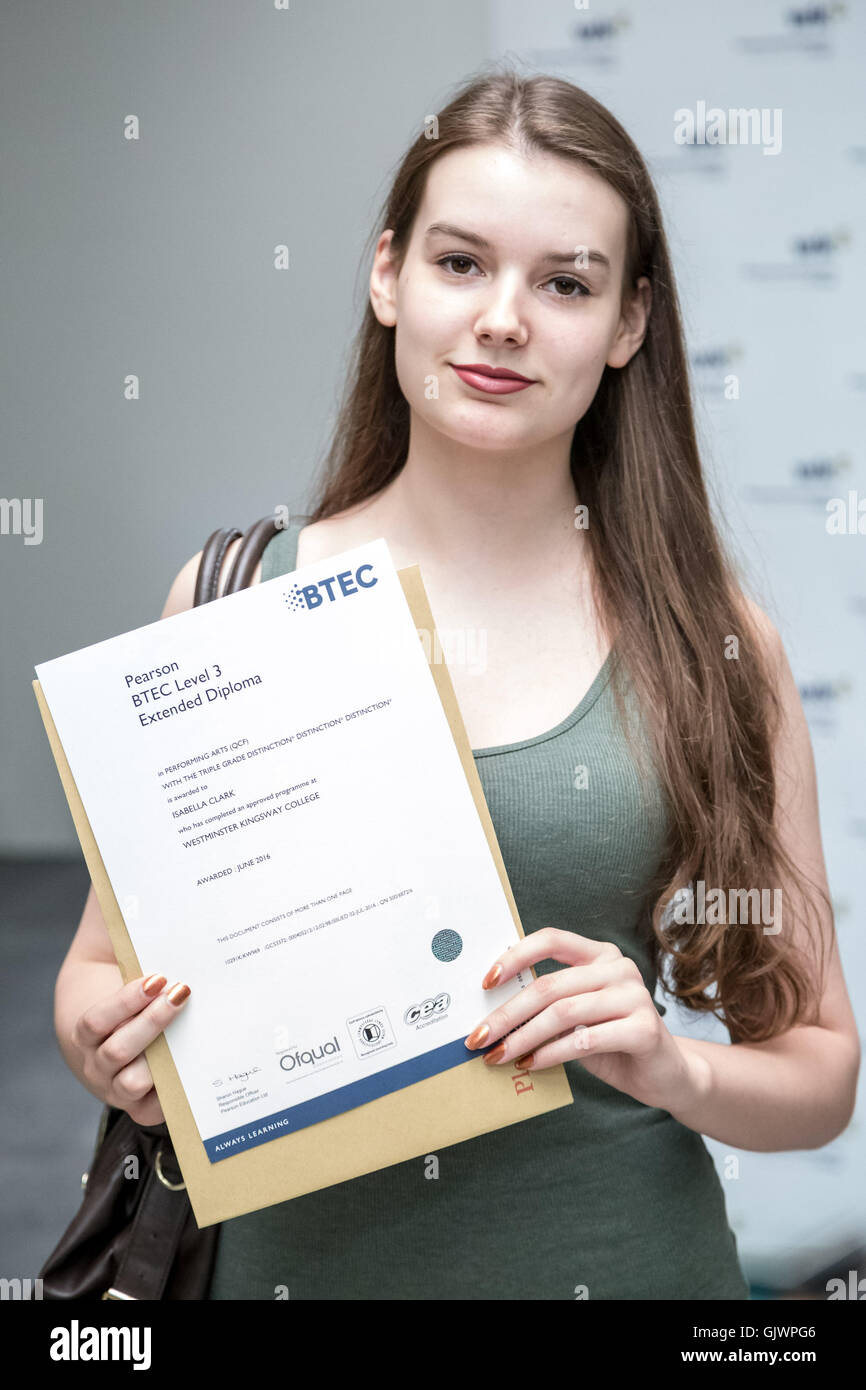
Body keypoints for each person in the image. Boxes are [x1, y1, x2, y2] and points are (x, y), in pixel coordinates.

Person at [53, 66, 860, 1300]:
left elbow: (816, 1073)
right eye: (460, 264)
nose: (502, 321)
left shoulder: (711, 640)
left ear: (628, 325)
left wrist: (671, 1066)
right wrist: (102, 1042)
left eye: (565, 284)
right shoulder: (227, 598)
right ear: (387, 277)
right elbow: (97, 969)